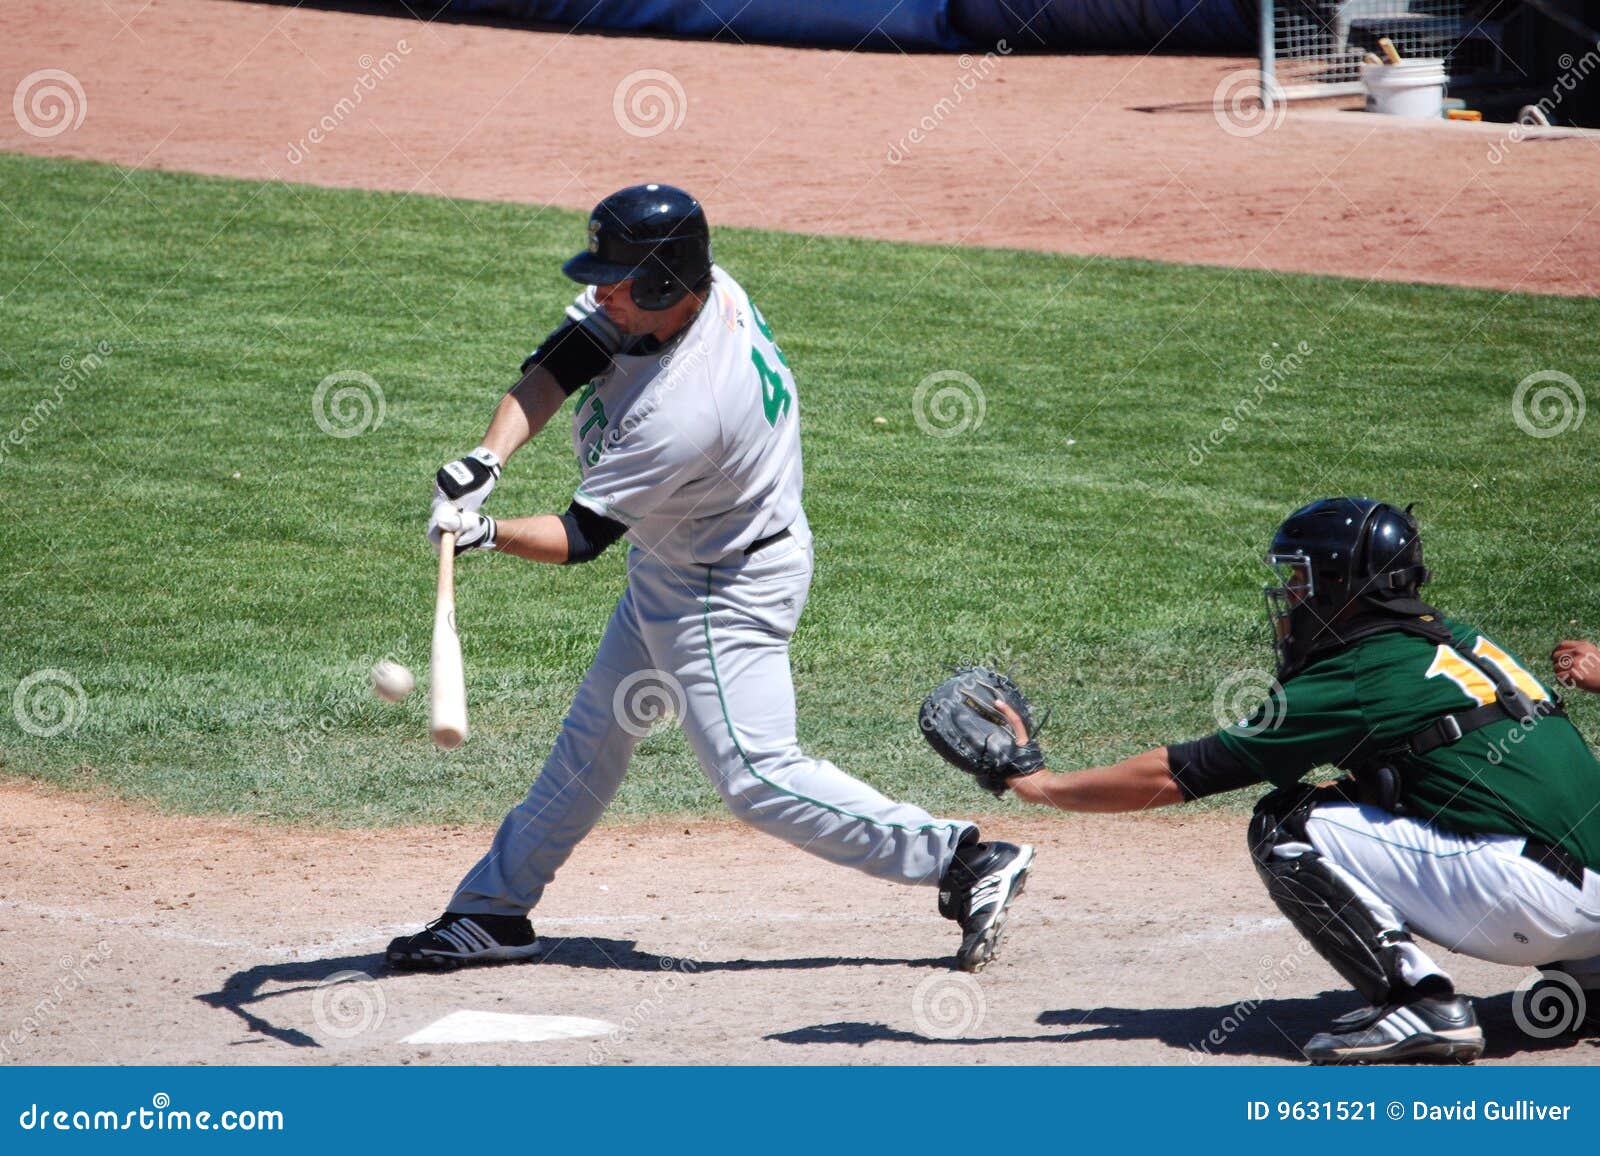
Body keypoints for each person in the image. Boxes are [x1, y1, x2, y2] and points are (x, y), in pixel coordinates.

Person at [386, 184, 1032, 974]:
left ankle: (964, 861)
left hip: (727, 586)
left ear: (664, 287)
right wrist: (488, 458)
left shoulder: (690, 408)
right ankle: (491, 912)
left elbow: (581, 536)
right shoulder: (696, 290)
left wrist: (485, 533)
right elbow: (564, 360)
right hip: (678, 559)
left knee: (756, 776)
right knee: (594, 739)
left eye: (619, 283)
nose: (600, 294)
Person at [969, 498, 1600, 1063]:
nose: (1290, 594)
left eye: (1299, 578)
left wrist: (1041, 784)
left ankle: (1421, 1006)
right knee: (1395, 793)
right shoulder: (1464, 643)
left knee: (1286, 823)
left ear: (1338, 586)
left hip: (1534, 903)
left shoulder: (1361, 673)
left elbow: (1185, 771)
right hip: (1587, 910)